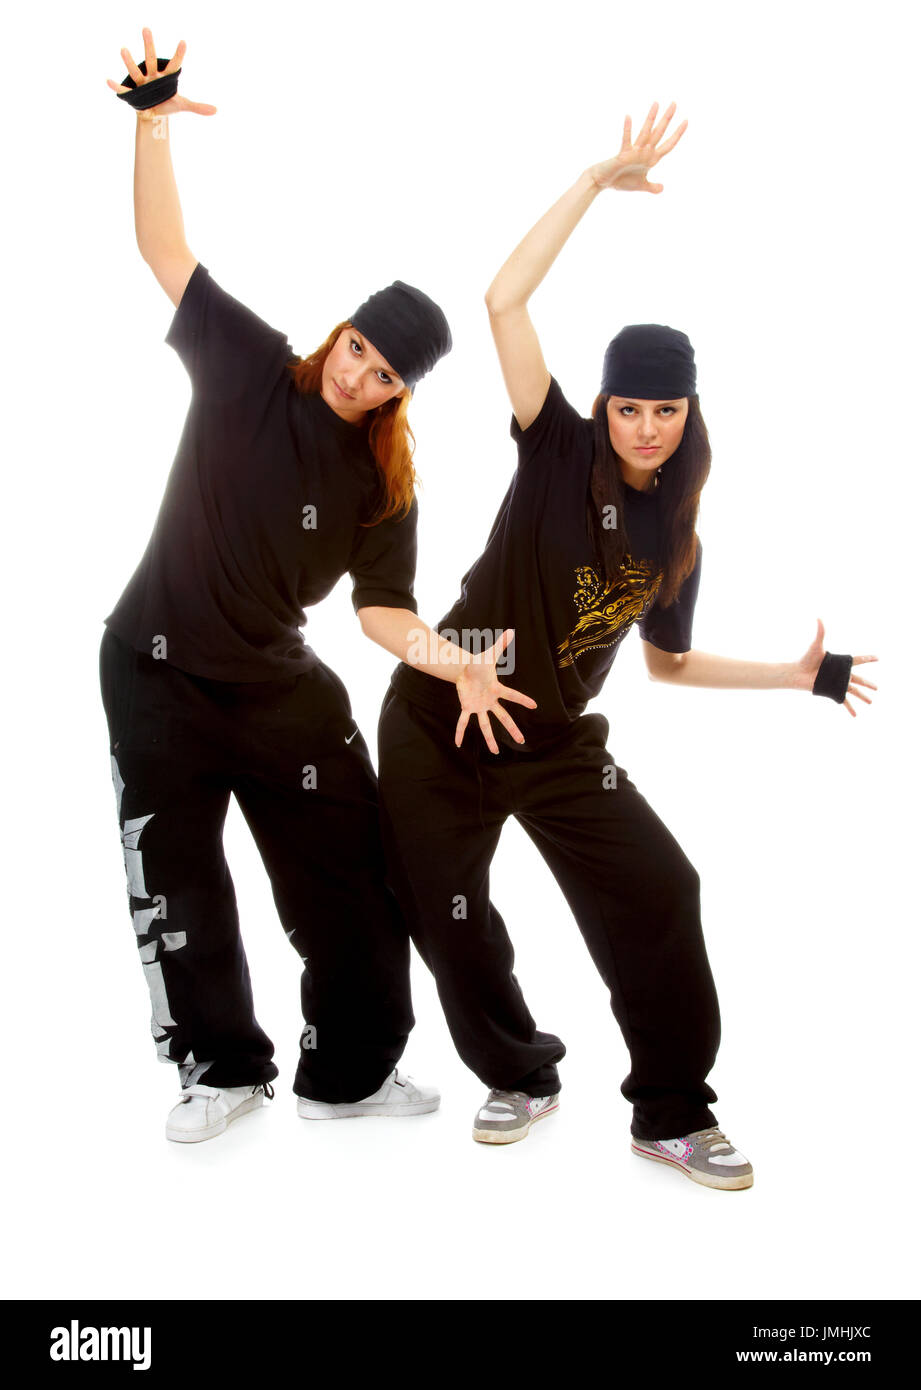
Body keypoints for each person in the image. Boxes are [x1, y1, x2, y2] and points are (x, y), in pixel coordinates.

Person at [375, 102, 877, 1188]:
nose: (645, 424)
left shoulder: (676, 537)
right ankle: (519, 1072)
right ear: (602, 406)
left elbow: (669, 664)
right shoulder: (554, 447)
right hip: (440, 713)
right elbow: (503, 299)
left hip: (553, 739)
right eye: (629, 405)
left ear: (690, 416)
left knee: (662, 887)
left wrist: (797, 678)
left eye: (666, 409)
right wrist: (595, 183)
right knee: (447, 905)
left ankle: (671, 1112)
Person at [99, 29, 501, 1144]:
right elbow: (163, 247)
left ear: (397, 395)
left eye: (383, 373)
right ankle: (219, 1070)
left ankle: (353, 1071)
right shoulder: (248, 367)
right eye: (359, 345)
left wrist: (452, 658)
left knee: (352, 873)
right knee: (180, 882)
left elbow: (380, 613)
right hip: (156, 668)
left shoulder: (384, 480)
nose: (358, 370)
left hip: (277, 685)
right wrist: (153, 122)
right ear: (344, 327)